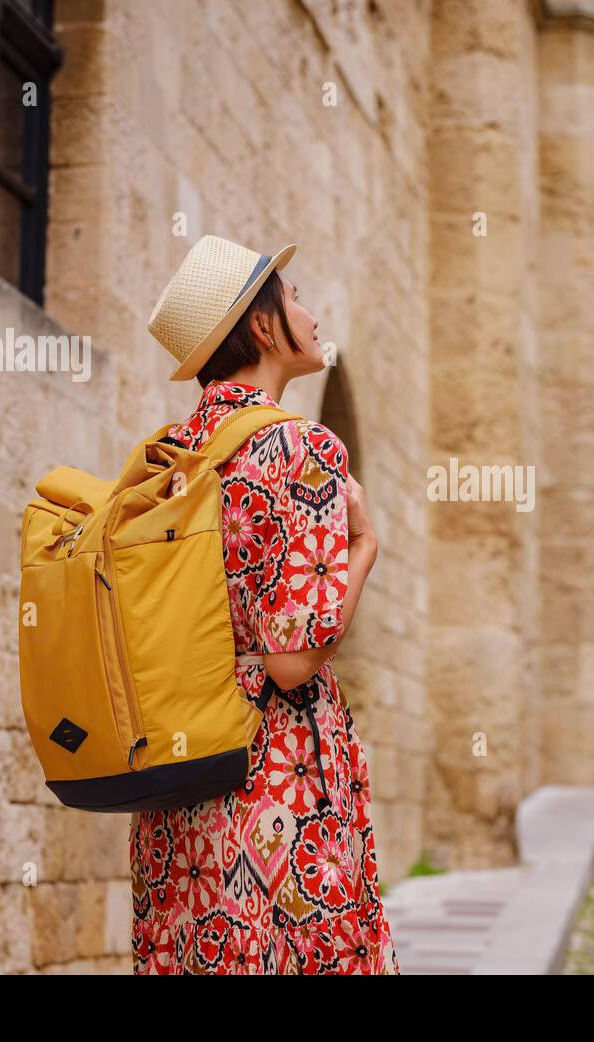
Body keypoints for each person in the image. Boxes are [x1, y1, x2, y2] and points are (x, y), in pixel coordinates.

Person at [130, 235, 399, 974]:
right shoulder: (299, 449)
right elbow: (290, 660)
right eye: (296, 296)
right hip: (273, 777)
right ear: (261, 325)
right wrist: (365, 548)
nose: (313, 314)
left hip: (179, 786)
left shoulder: (174, 454)